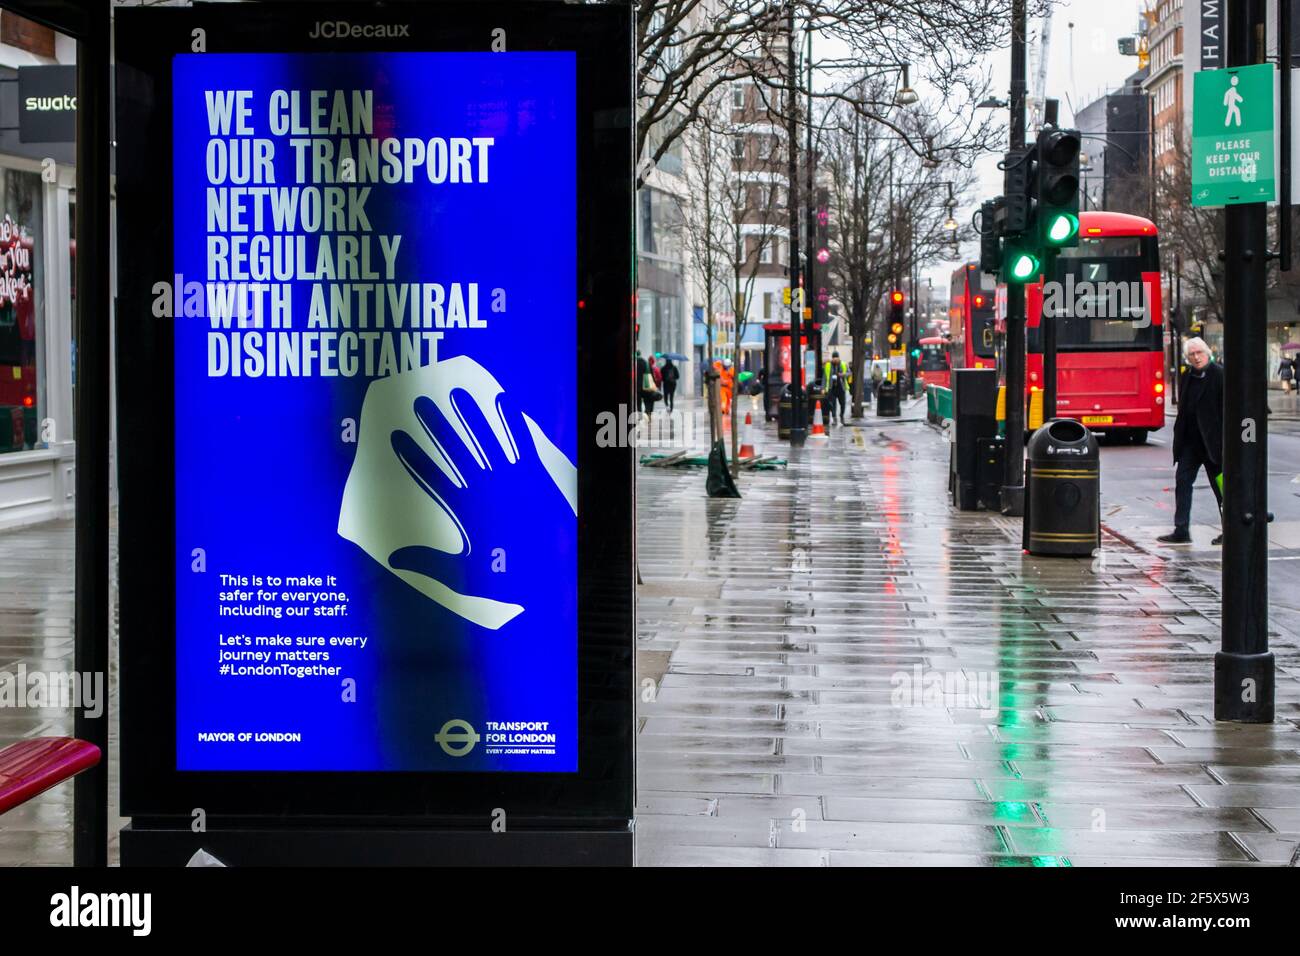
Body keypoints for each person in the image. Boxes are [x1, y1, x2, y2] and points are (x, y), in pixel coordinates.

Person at [1159, 337, 1224, 546]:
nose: (1196, 357)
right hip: (1190, 444)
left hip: (1213, 444)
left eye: (1199, 353)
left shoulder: (1219, 375)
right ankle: (1181, 530)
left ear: (1207, 353)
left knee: (1222, 489)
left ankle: (1230, 530)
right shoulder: (1187, 376)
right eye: (1192, 355)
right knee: (1183, 482)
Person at [823, 351, 848, 425]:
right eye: (834, 358)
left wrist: (843, 374)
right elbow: (824, 377)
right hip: (832, 387)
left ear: (839, 358)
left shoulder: (843, 364)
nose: (835, 359)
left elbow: (849, 373)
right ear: (832, 358)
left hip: (841, 387)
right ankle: (834, 418)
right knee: (832, 404)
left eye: (836, 358)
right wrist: (823, 388)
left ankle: (841, 416)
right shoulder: (828, 365)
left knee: (843, 404)